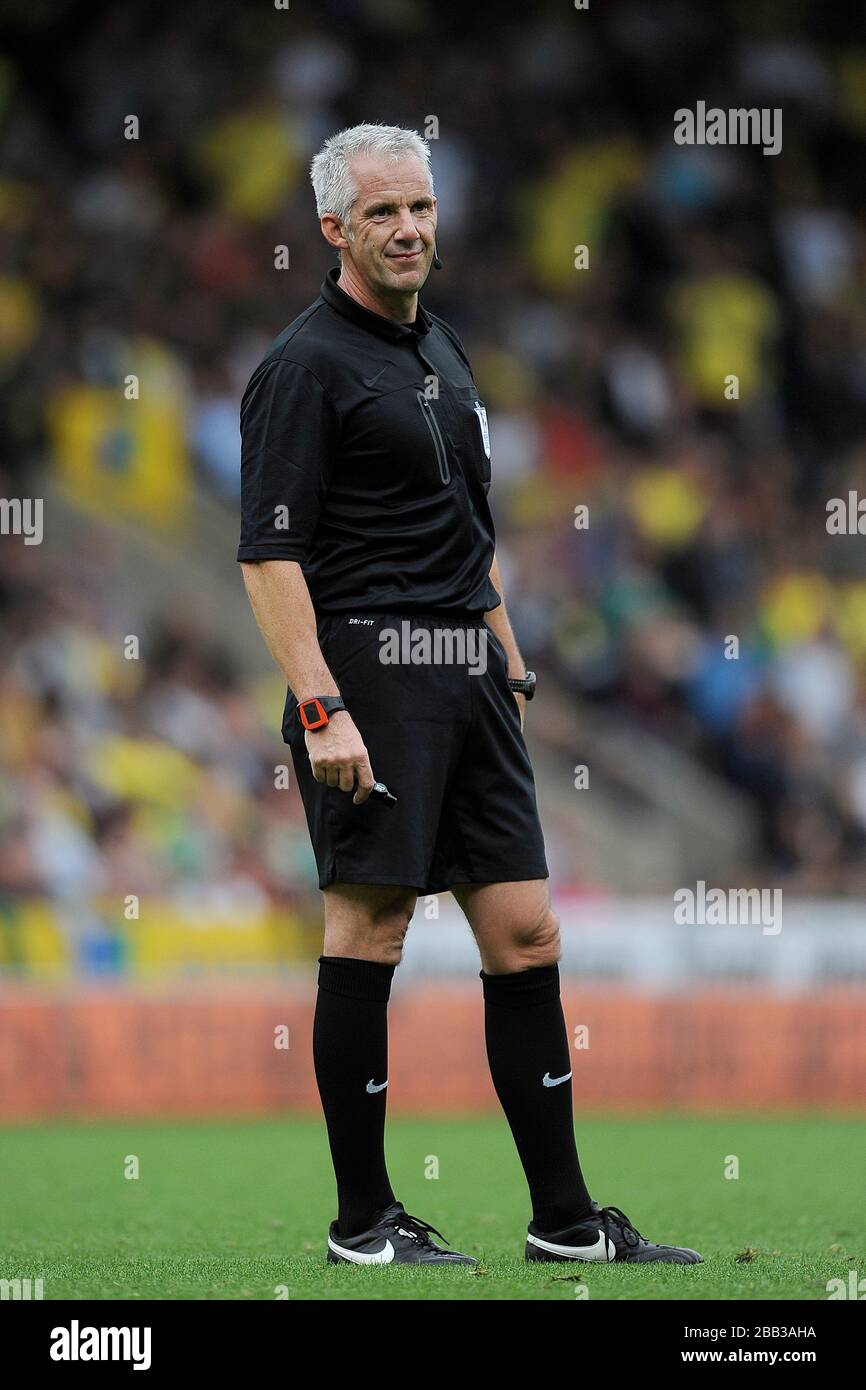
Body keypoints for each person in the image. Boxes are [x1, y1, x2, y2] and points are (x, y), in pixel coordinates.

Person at [237, 123, 703, 1268]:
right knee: (371, 924)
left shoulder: (440, 348)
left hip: (467, 672)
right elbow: (268, 555)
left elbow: (466, 527)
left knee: (527, 933)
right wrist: (318, 705)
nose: (408, 229)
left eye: (420, 208)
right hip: (370, 672)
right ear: (333, 229)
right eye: (382, 212)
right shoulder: (302, 367)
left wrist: (504, 644)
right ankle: (361, 1223)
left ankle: (565, 1223)